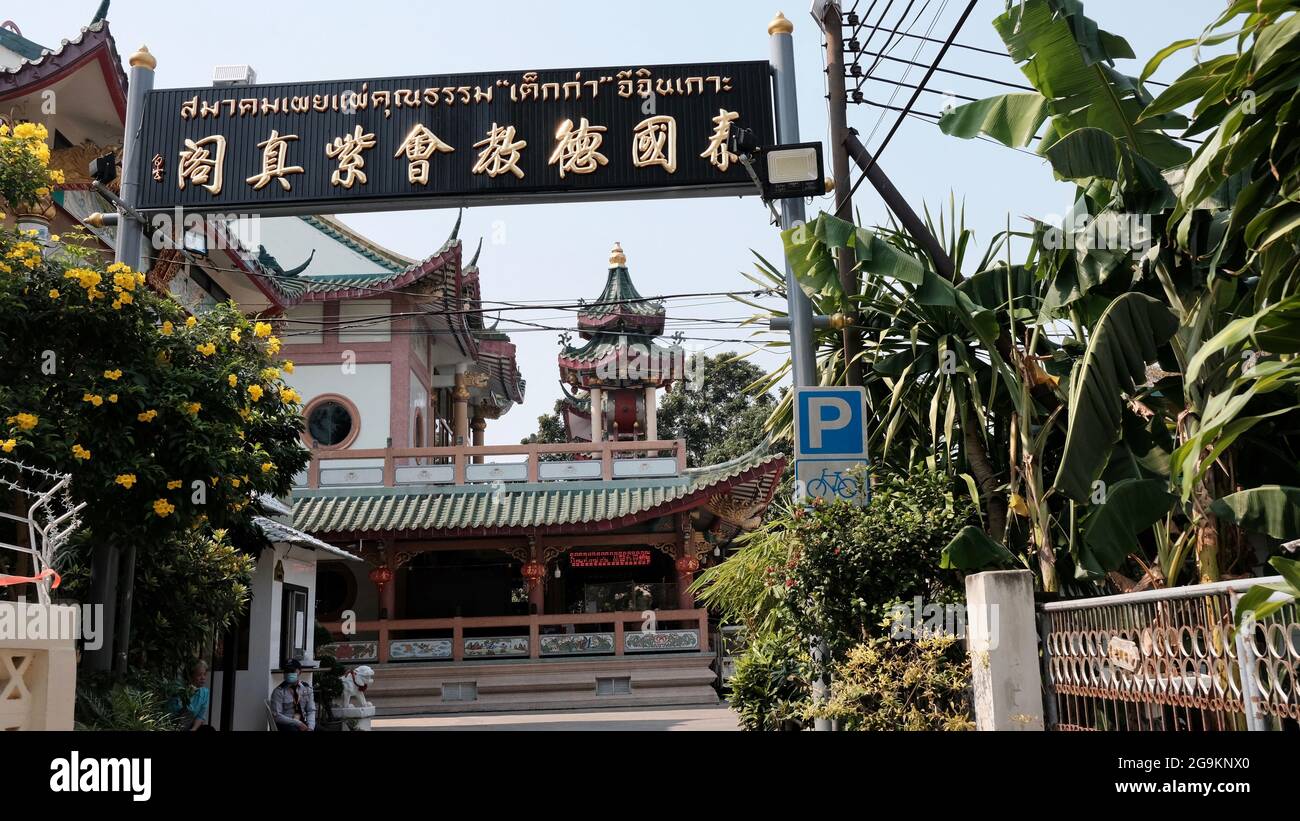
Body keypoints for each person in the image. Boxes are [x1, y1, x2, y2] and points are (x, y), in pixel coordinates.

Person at [270, 659, 316, 732]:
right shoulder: (278, 691)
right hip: (287, 724)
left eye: (292, 671)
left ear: (300, 672)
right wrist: (298, 723)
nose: (289, 673)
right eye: (286, 671)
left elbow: (311, 710)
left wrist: (310, 727)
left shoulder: (307, 689)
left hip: (304, 723)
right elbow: (277, 716)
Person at [169, 659, 212, 732]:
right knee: (188, 713)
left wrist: (193, 729)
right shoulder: (179, 690)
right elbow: (173, 713)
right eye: (199, 675)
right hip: (175, 724)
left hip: (191, 725)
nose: (203, 678)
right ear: (190, 676)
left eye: (204, 674)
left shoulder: (205, 692)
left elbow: (200, 716)